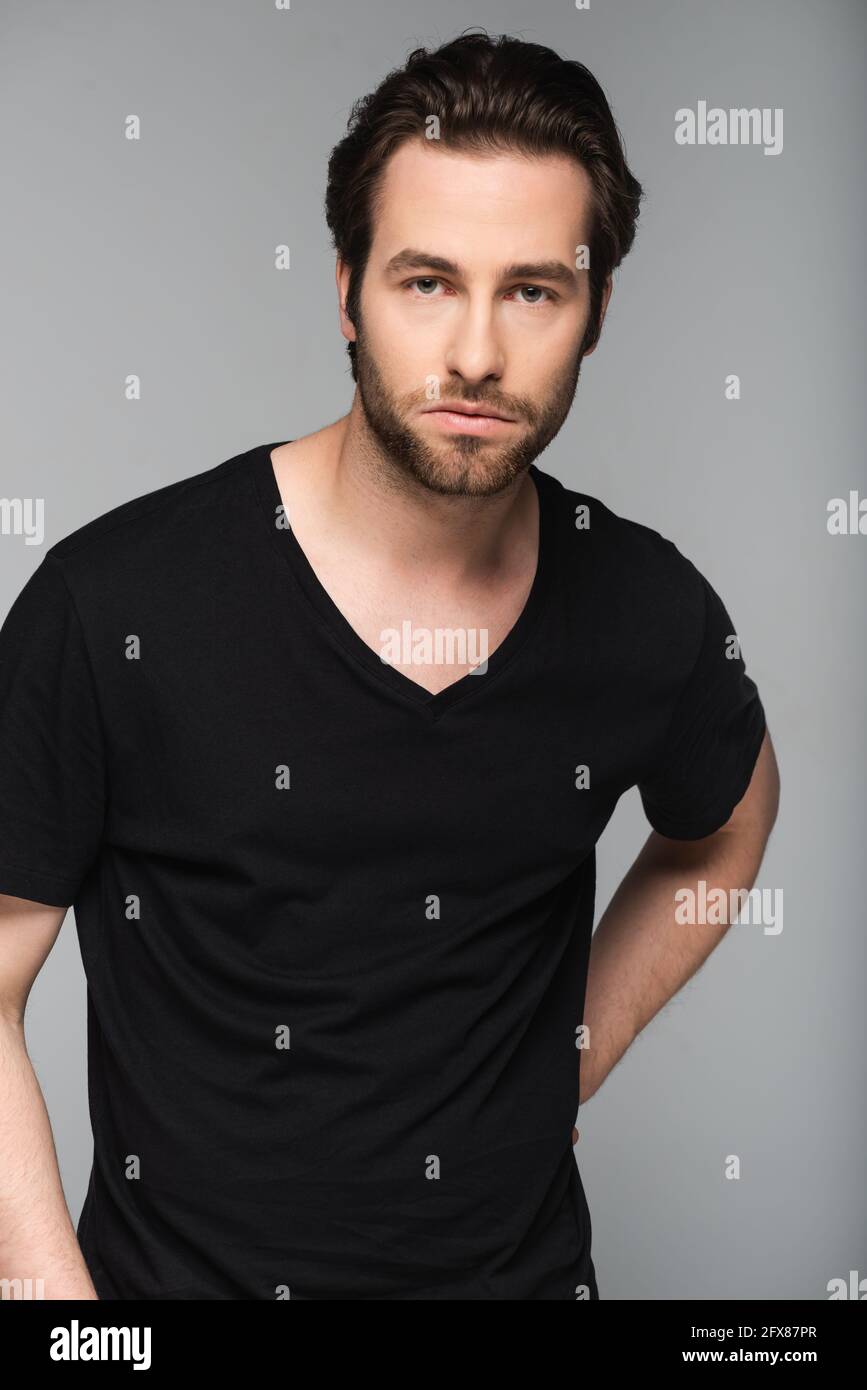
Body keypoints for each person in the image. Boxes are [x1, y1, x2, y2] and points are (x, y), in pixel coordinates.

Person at [0, 31, 779, 1300]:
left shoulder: (645, 608)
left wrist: (566, 1054)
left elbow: (728, 821)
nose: (476, 353)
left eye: (533, 289)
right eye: (428, 282)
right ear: (348, 286)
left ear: (597, 310)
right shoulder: (114, 605)